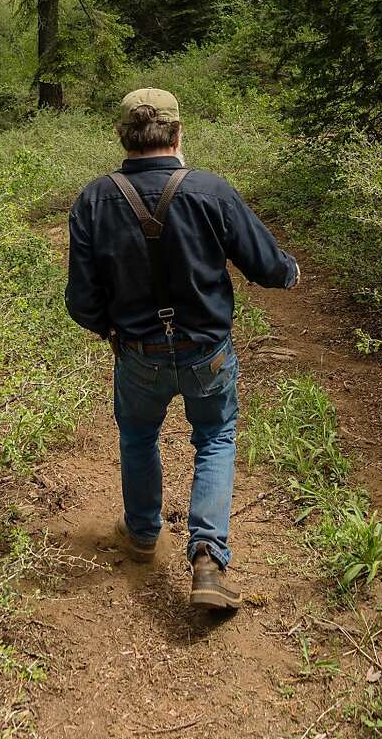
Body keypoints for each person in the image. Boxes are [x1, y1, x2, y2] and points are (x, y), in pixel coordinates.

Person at [65, 87, 300, 612]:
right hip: (207, 352)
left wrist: (115, 333)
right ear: (177, 134)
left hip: (137, 353)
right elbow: (267, 267)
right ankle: (209, 560)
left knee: (139, 435)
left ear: (122, 137)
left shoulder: (94, 199)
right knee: (215, 438)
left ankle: (144, 535)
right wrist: (291, 272)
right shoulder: (211, 191)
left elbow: (80, 301)